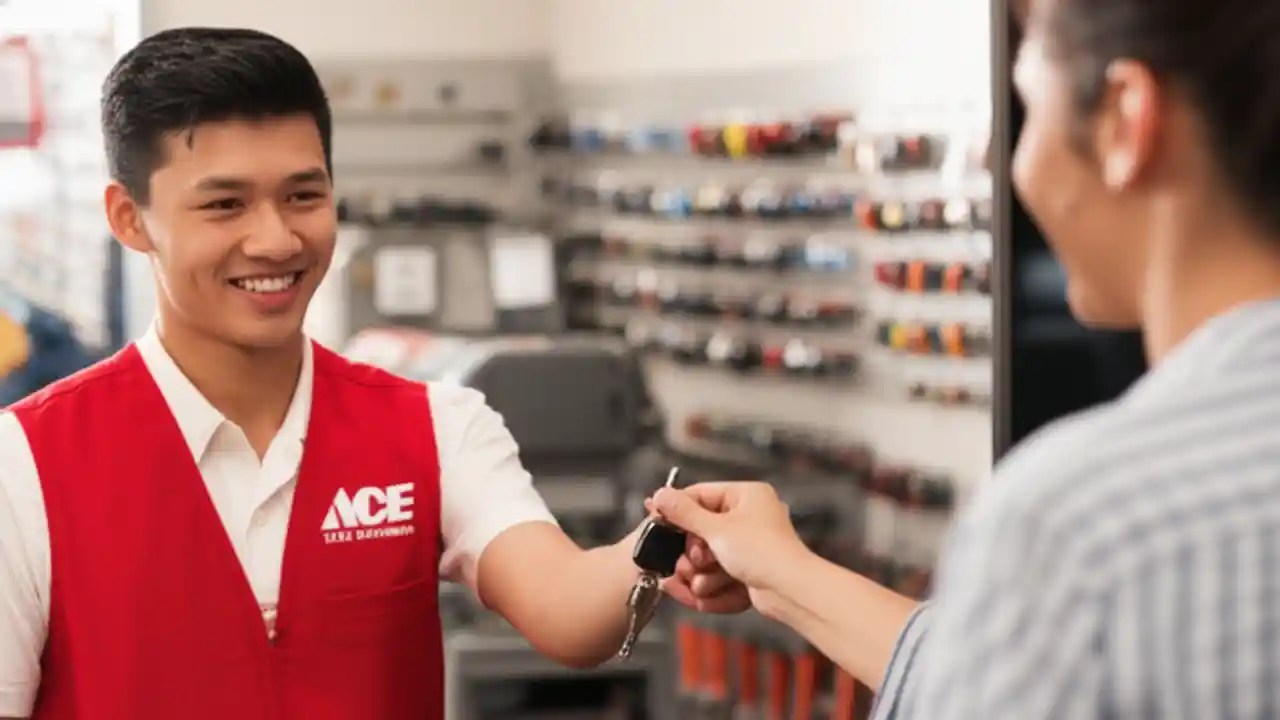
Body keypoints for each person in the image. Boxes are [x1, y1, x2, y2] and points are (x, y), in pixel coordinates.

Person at [0, 28, 747, 720]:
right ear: (129, 219)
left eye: (304, 195)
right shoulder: (26, 465)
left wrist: (667, 537)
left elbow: (568, 612)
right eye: (224, 204)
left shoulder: (438, 428)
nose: (276, 238)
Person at [654, 1, 1280, 718]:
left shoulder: (1077, 526)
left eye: (1028, 109)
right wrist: (785, 576)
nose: (1016, 164)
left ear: (1123, 122)